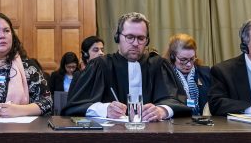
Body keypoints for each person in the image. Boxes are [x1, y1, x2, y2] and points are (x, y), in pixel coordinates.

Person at [63, 12, 191, 120]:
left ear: (147, 40)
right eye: (129, 37)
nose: (135, 43)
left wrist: (162, 110)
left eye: (141, 38)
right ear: (117, 37)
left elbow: (177, 100)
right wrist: (105, 109)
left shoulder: (159, 65)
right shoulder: (100, 66)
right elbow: (74, 105)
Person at [165, 33, 211, 115]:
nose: (189, 64)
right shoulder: (165, 76)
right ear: (172, 57)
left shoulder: (206, 73)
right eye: (183, 60)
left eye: (192, 59)